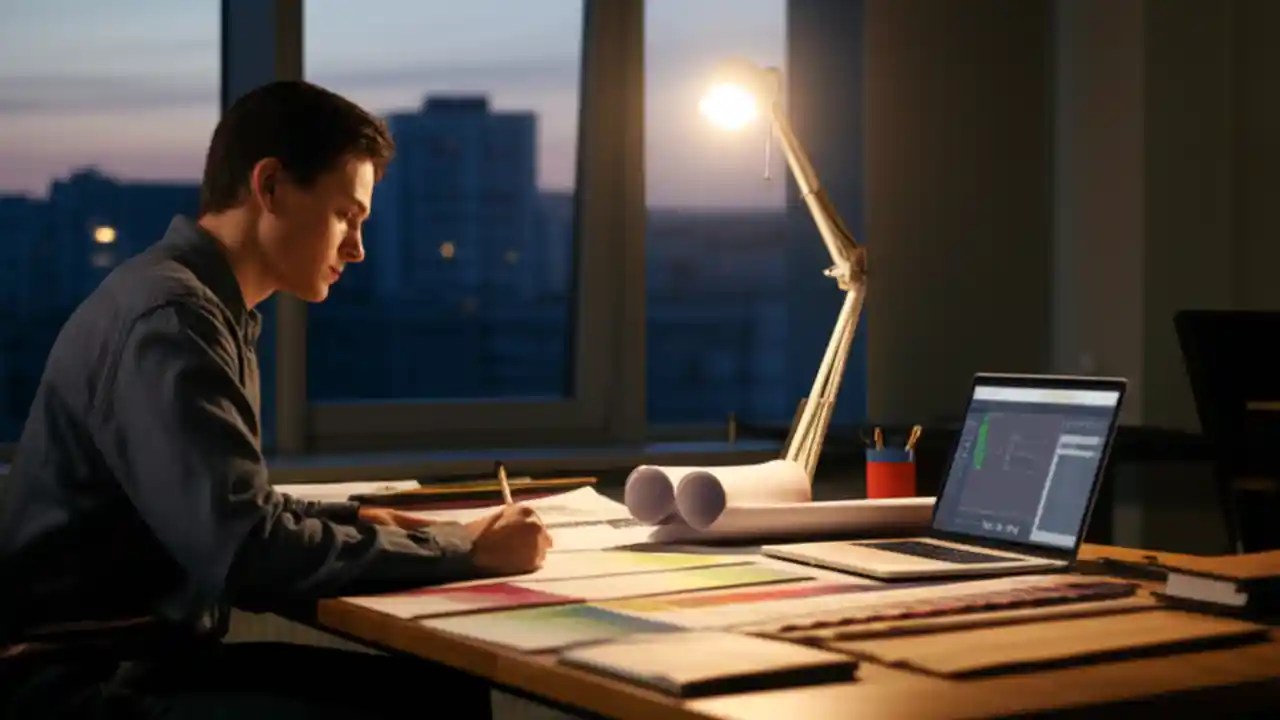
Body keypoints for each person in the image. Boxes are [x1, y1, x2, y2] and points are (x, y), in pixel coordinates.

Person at [0, 80, 552, 719]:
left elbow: (229, 508)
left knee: (439, 694)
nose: (357, 247)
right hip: (77, 684)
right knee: (430, 705)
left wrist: (363, 521)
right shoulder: (173, 318)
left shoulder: (192, 304)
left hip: (129, 661)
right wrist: (464, 549)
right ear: (269, 187)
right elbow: (247, 549)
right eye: (347, 214)